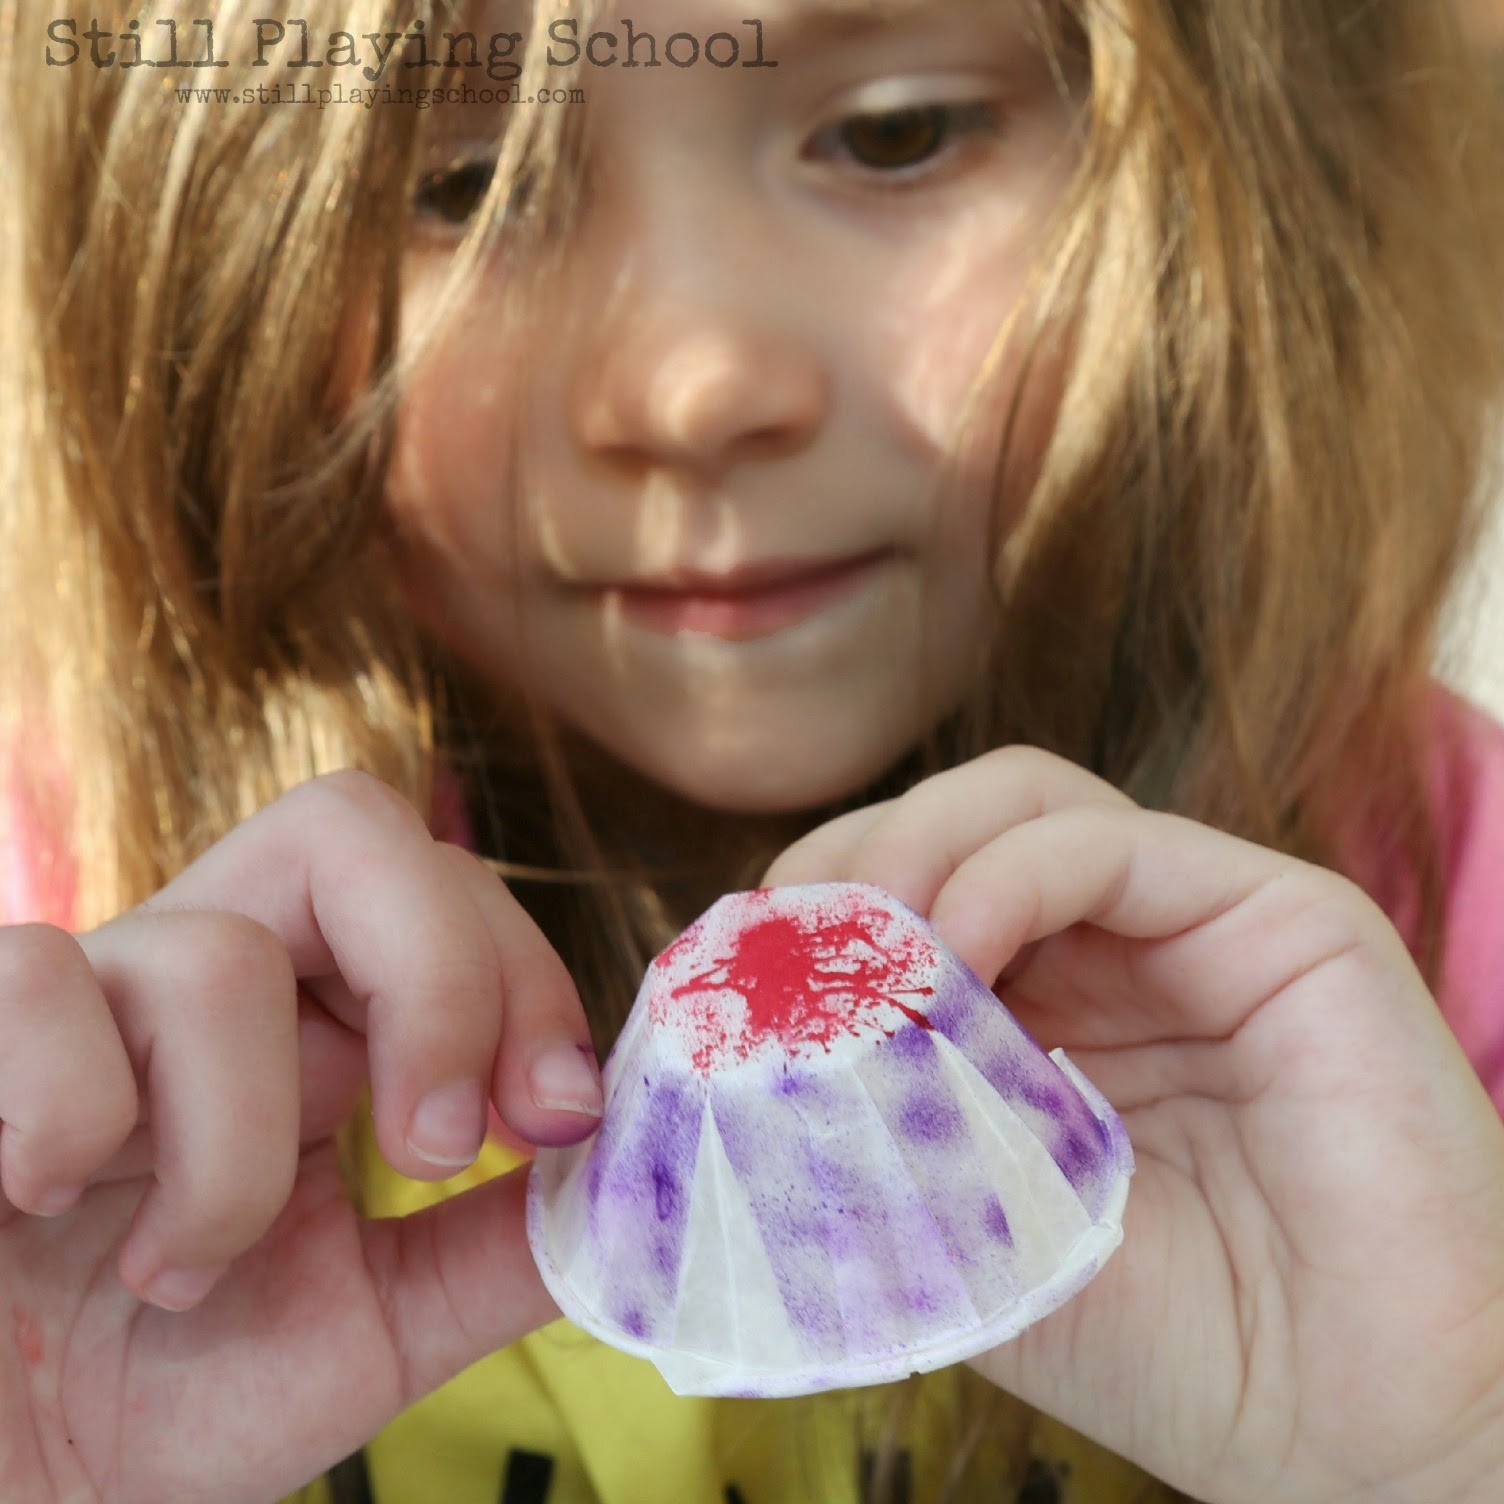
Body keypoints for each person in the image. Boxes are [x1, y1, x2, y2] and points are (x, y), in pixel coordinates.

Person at [3, 1, 1504, 1501]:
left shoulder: (1420, 988)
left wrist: (1440, 1461)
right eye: (467, 188)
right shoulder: (64, 995)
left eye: (895, 133)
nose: (694, 388)